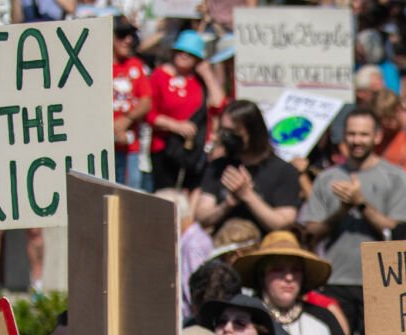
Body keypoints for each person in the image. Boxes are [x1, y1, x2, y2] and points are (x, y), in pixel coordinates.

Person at [300, 105, 406, 335]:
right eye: (352, 134)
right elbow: (311, 233)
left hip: (382, 281)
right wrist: (342, 211)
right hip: (336, 280)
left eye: (363, 134)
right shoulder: (327, 178)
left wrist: (361, 204)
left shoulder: (395, 176)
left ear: (377, 136)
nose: (357, 140)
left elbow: (399, 233)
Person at [232, 231, 340, 335]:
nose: (289, 277)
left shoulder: (324, 320)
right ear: (262, 275)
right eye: (278, 269)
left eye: (296, 270)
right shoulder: (245, 319)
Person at [194, 99, 302, 237]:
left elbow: (284, 224)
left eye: (232, 131)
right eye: (223, 130)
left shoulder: (284, 171)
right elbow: (202, 218)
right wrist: (227, 204)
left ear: (253, 131)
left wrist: (247, 195)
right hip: (223, 247)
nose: (226, 137)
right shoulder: (218, 167)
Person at [145, 30, 223, 191]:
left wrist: (207, 74)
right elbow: (149, 114)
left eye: (190, 54)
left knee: (191, 191)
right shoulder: (159, 75)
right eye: (180, 51)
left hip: (194, 148)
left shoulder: (199, 81)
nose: (184, 56)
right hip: (165, 147)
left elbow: (219, 104)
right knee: (165, 193)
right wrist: (176, 126)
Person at [110, 18, 153, 191]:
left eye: (132, 36)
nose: (128, 40)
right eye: (122, 35)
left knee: (130, 196)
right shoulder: (97, 67)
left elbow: (146, 101)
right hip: (103, 148)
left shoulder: (135, 65)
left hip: (129, 148)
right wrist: (112, 129)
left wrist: (126, 120)